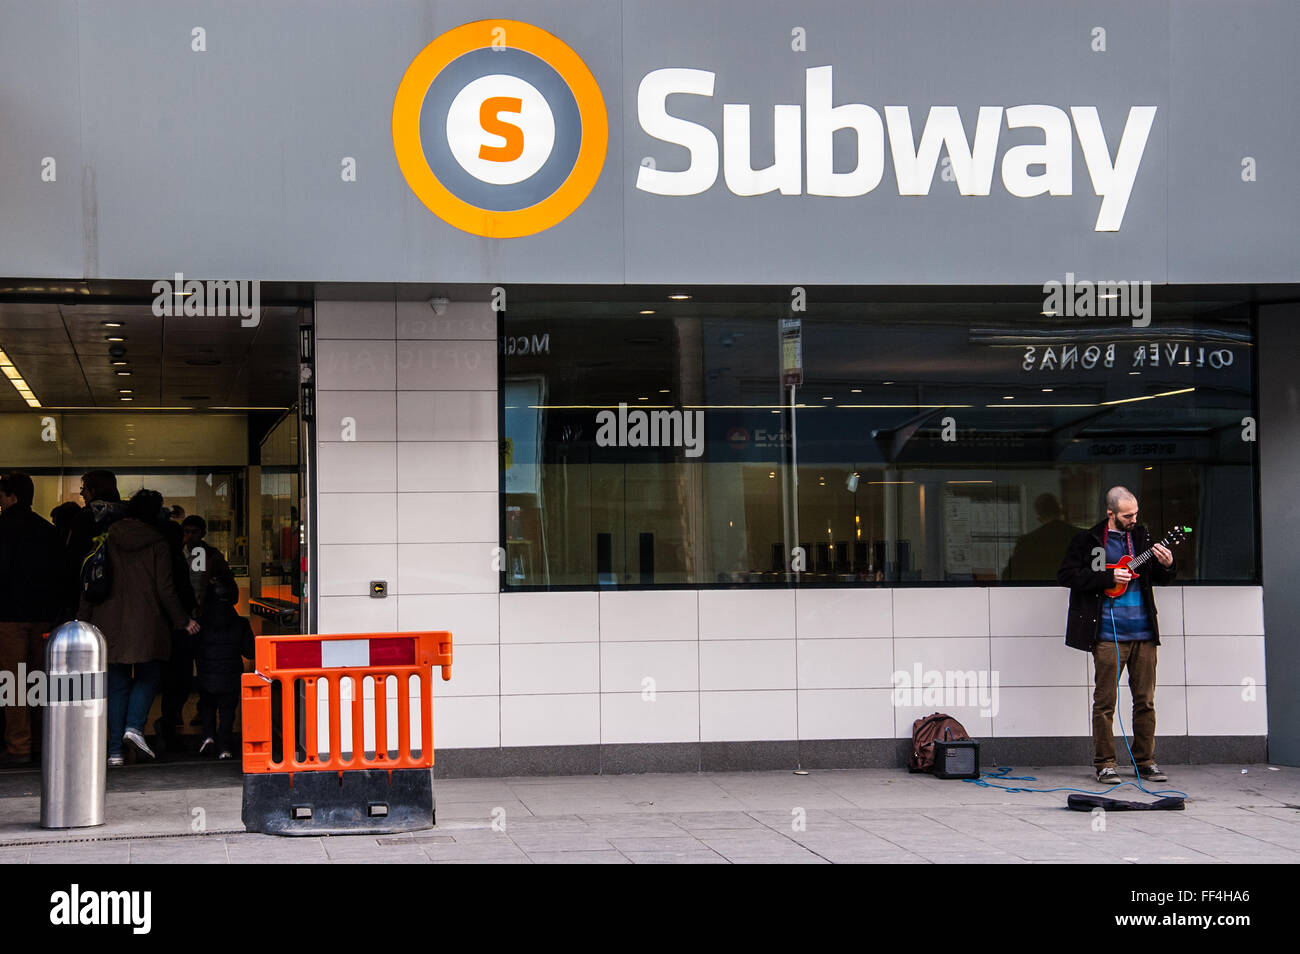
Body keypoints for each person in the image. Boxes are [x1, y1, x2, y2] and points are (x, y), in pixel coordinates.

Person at [1058, 486, 1175, 786]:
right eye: (1127, 515)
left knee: (1145, 700)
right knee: (1105, 701)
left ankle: (1145, 761)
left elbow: (1159, 579)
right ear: (1110, 513)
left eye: (1136, 513)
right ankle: (1105, 763)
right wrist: (1109, 577)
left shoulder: (1142, 539)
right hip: (1108, 633)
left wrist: (1168, 565)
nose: (1134, 519)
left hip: (1144, 633)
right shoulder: (1090, 540)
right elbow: (1068, 575)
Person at [77, 489, 199, 765]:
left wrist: (82, 618)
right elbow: (165, 589)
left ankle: (115, 752)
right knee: (149, 675)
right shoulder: (158, 543)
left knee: (117, 683)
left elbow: (89, 581)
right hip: (148, 621)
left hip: (107, 621)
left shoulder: (106, 538)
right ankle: (134, 727)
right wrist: (183, 620)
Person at [0, 473, 61, 766]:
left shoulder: (3, 529)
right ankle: (39, 741)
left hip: (9, 617)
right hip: (44, 617)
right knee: (38, 680)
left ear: (11, 496)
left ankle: (18, 745)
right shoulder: (47, 531)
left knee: (13, 682)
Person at [193, 575, 252, 759]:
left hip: (206, 676)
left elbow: (193, 648)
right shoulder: (241, 623)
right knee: (227, 712)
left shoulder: (201, 623)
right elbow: (250, 652)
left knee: (207, 707)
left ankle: (208, 737)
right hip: (231, 677)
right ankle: (225, 747)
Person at [1003, 493, 1081, 581]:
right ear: (1061, 511)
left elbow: (1009, 575)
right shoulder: (1081, 536)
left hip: (1039, 591)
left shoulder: (1026, 542)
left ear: (1039, 517)